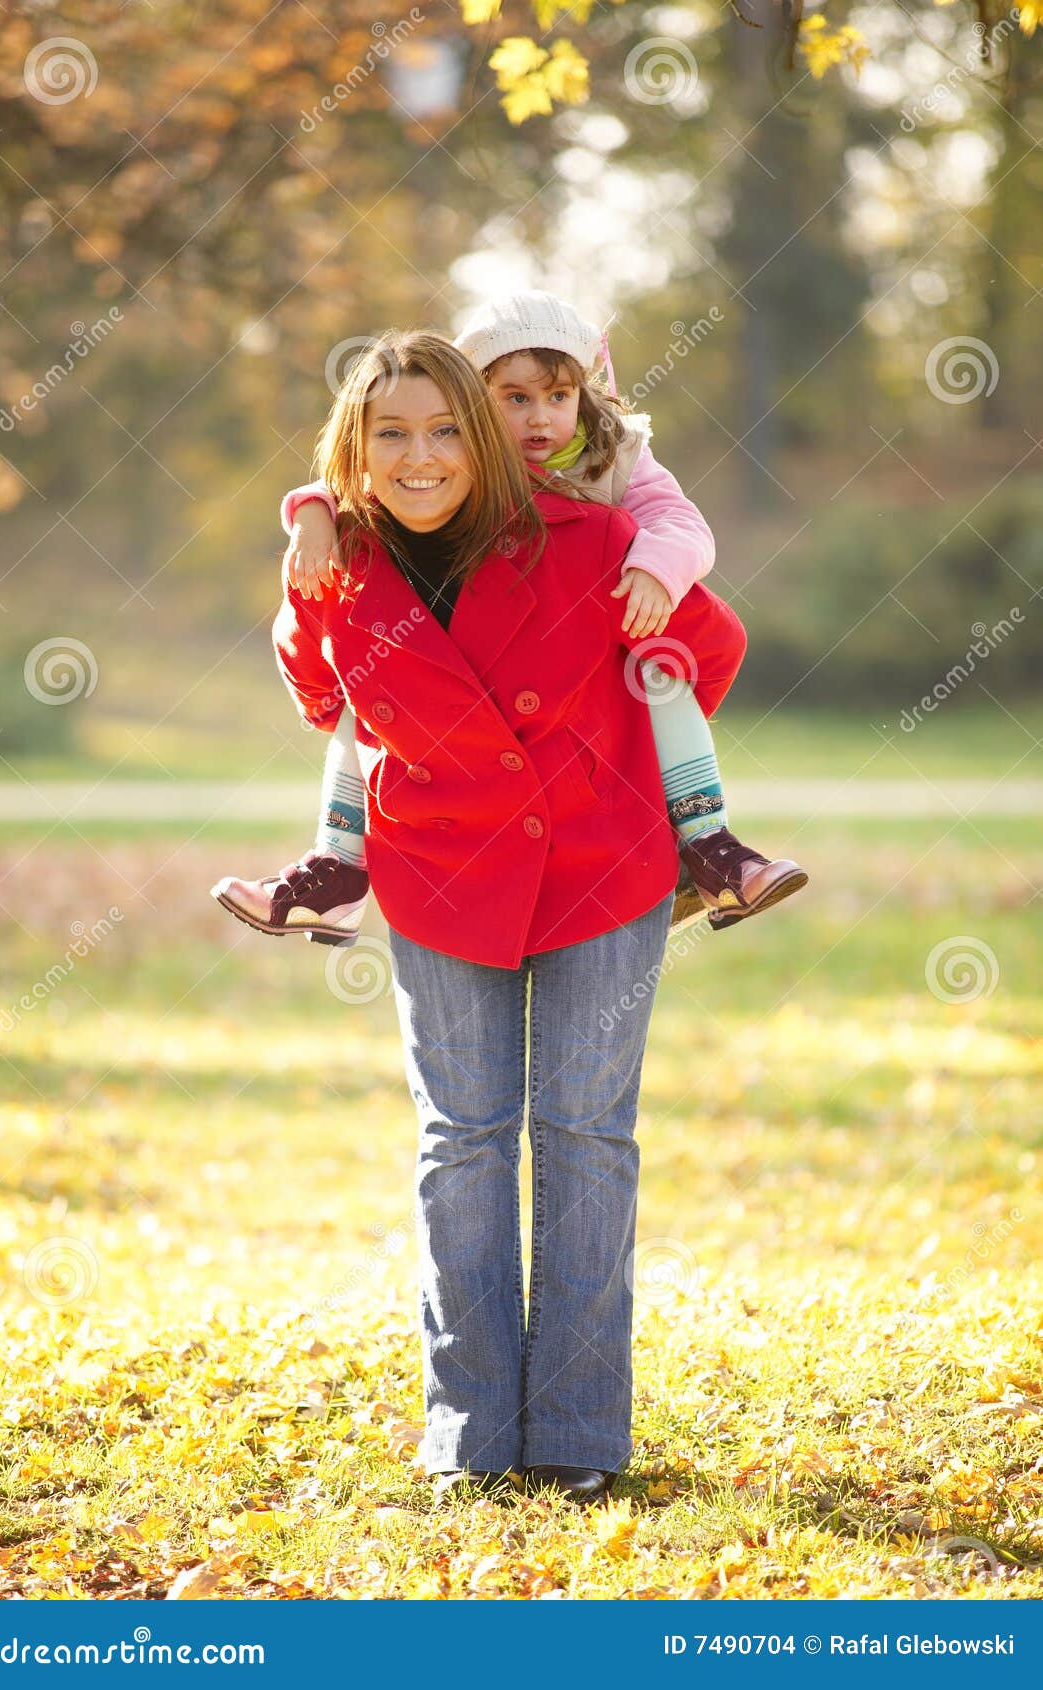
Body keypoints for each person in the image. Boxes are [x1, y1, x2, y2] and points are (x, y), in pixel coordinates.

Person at [248, 329, 747, 1501]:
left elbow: (703, 652)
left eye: (441, 431)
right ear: (357, 453)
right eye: (390, 435)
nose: (420, 457)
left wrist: (612, 720)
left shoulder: (594, 535)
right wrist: (304, 551)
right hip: (438, 873)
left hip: (596, 868)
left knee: (584, 1133)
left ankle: (576, 1431)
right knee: (461, 1141)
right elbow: (321, 693)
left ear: (479, 437)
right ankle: (471, 1434)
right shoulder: (345, 560)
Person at [212, 291, 805, 948]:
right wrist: (313, 514)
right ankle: (337, 863)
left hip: (616, 645)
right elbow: (361, 471)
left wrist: (654, 565)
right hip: (444, 808)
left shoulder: (614, 459)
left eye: (557, 397)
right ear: (475, 405)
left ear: (585, 395)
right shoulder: (444, 470)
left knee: (658, 673)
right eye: (514, 399)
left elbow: (684, 534)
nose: (539, 419)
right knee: (368, 691)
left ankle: (705, 837)